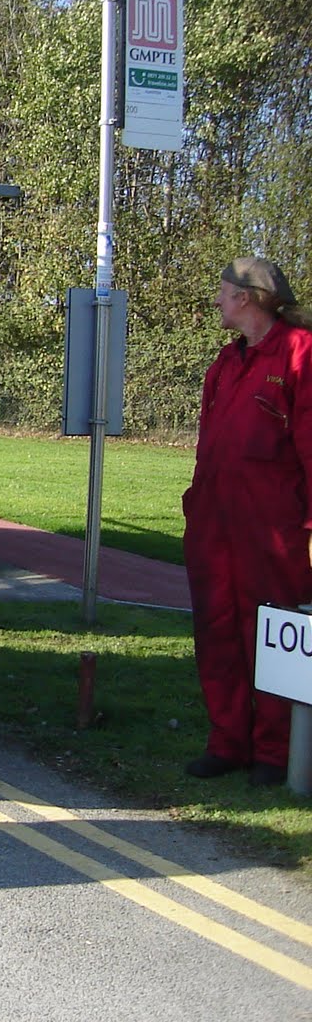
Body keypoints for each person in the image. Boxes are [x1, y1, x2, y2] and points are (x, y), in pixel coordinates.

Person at [182, 257, 312, 789]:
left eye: (222, 291)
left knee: (274, 632)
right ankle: (228, 740)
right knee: (216, 626)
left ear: (248, 298)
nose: (216, 301)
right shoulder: (225, 361)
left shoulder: (299, 355)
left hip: (272, 525)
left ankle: (276, 751)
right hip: (216, 521)